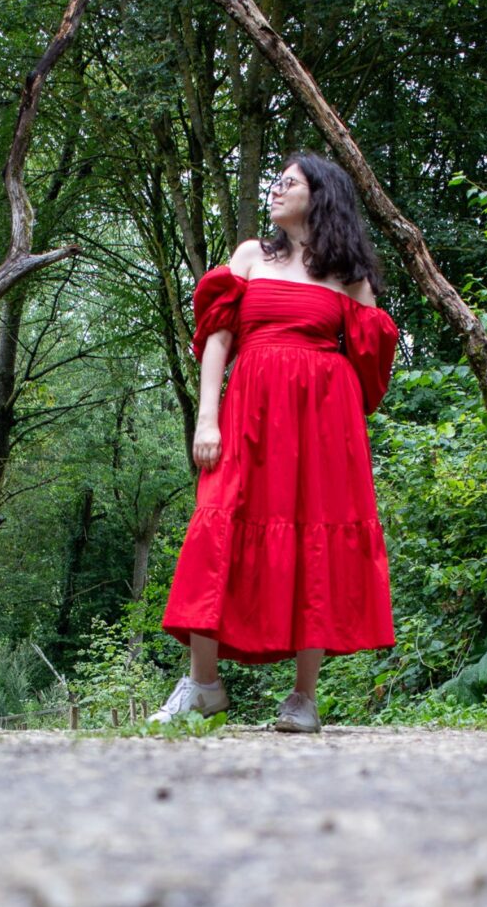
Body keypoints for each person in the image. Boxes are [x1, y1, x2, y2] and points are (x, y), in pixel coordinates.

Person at [150, 152, 399, 733]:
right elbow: (216, 338)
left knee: (317, 537)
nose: (277, 189)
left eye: (290, 182)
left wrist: (336, 394)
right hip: (248, 416)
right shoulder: (249, 257)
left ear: (321, 195)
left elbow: (373, 351)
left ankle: (303, 698)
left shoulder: (346, 274)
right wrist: (206, 419)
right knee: (217, 526)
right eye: (277, 181)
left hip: (321, 427)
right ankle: (204, 686)